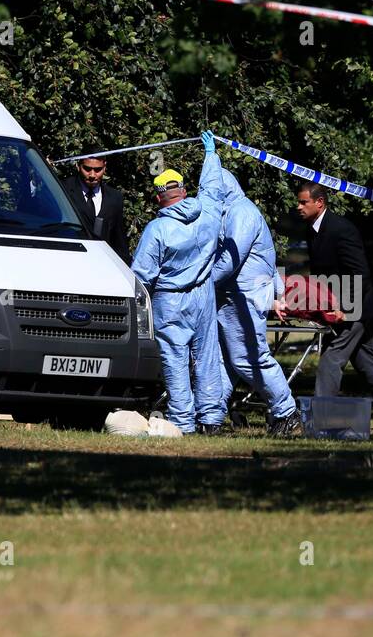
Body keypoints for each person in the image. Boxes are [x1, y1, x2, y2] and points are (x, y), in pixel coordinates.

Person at [295, 182, 373, 429]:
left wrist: (346, 309)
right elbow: (322, 275)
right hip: (337, 308)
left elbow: (359, 273)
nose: (298, 207)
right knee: (368, 365)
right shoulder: (312, 230)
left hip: (354, 309)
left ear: (319, 203)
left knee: (330, 359)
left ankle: (321, 421)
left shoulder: (341, 229)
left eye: (303, 202)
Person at [130, 131, 227, 435]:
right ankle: (211, 419)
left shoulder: (156, 230)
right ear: (184, 191)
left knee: (175, 360)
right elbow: (213, 187)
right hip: (203, 294)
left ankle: (183, 421)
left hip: (170, 299)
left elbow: (141, 275)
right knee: (208, 356)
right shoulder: (209, 214)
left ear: (159, 196)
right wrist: (211, 154)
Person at [211, 167, 302, 437]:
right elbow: (268, 262)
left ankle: (287, 413)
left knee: (249, 359)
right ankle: (211, 417)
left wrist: (204, 281)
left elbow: (231, 259)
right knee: (224, 361)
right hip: (232, 298)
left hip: (243, 299)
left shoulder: (241, 214)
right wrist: (277, 293)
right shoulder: (233, 213)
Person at [60, 151, 129, 262]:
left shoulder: (114, 198)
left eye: (97, 170)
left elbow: (119, 240)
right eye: (87, 169)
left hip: (102, 264)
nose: (92, 175)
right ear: (78, 166)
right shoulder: (63, 190)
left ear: (104, 167)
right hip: (69, 260)